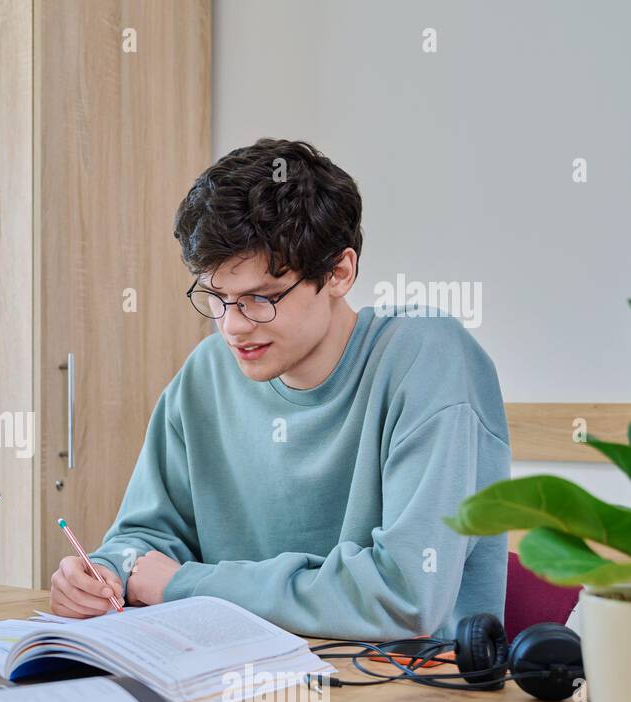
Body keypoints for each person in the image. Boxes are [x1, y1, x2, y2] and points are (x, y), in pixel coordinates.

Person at [50, 139, 510, 641]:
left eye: (260, 299)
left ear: (339, 272)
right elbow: (145, 542)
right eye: (218, 297)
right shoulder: (206, 374)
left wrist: (184, 585)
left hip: (406, 696)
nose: (232, 327)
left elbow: (404, 596)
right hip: (233, 678)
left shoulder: (426, 358)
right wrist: (104, 573)